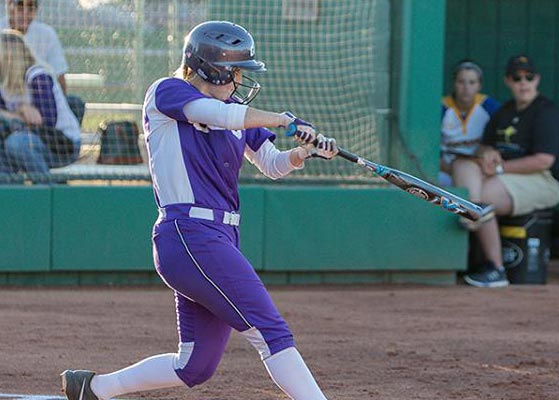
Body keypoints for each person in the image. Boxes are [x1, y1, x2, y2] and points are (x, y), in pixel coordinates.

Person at [59, 21, 339, 400]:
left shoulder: (235, 109)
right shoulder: (167, 92)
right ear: (212, 69)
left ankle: (93, 388)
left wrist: (303, 152)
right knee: (270, 331)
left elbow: (272, 163)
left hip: (221, 238)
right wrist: (283, 119)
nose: (240, 79)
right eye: (235, 71)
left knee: (194, 365)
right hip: (188, 234)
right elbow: (216, 115)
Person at [461, 55, 559, 288]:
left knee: (484, 197)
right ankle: (472, 210)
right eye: (517, 78)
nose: (523, 83)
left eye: (529, 77)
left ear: (537, 79)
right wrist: (488, 154)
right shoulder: (503, 111)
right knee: (465, 168)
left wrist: (499, 168)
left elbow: (543, 161)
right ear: (508, 80)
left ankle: (496, 267)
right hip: (506, 175)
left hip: (544, 181)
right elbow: (484, 145)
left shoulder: (546, 111)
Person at [0, 29, 80, 175]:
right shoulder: (3, 83)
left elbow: (45, 122)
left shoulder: (38, 76)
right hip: (25, 138)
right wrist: (21, 111)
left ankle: (45, 189)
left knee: (17, 143)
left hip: (61, 144)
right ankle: (13, 194)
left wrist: (13, 116)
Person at [439, 59, 500, 227]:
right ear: (454, 84)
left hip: (479, 170)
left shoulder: (489, 106)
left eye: (472, 82)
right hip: (445, 169)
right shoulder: (442, 107)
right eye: (461, 82)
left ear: (479, 85)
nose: (466, 88)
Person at [2, 0, 68, 93]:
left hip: (41, 96)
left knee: (75, 101)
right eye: (20, 7)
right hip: (5, 99)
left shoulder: (47, 34)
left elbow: (59, 75)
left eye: (30, 8)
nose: (25, 13)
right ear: (8, 5)